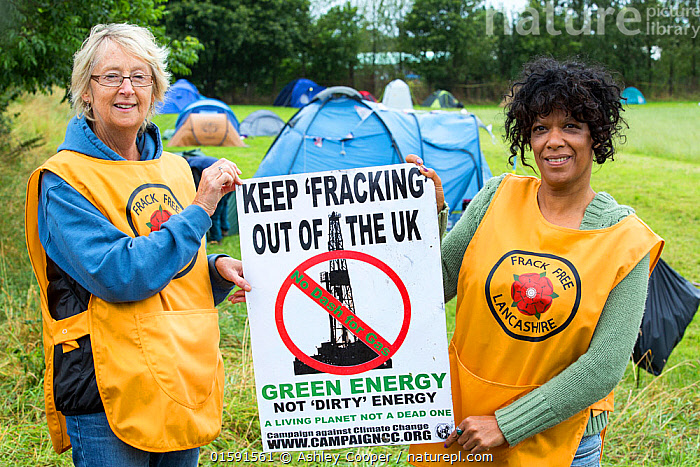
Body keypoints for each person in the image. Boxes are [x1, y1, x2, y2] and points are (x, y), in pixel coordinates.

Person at [407, 57, 664, 466]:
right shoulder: (495, 198)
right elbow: (434, 288)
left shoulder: (626, 240)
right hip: (463, 424)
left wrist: (507, 425)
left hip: (561, 441)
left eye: (571, 127)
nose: (553, 141)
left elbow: (603, 366)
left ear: (596, 136)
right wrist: (424, 219)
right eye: (540, 128)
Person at [24, 24, 251, 466]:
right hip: (108, 390)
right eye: (110, 76)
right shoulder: (63, 181)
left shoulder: (176, 169)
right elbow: (121, 274)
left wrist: (214, 269)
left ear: (155, 91)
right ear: (85, 92)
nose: (127, 89)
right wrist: (202, 209)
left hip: (181, 375)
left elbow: (174, 261)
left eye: (140, 77)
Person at [186, 154, 232, 244]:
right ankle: (225, 229)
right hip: (230, 179)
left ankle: (216, 238)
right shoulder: (198, 160)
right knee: (223, 207)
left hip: (220, 183)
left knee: (215, 212)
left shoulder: (193, 166)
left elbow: (197, 184)